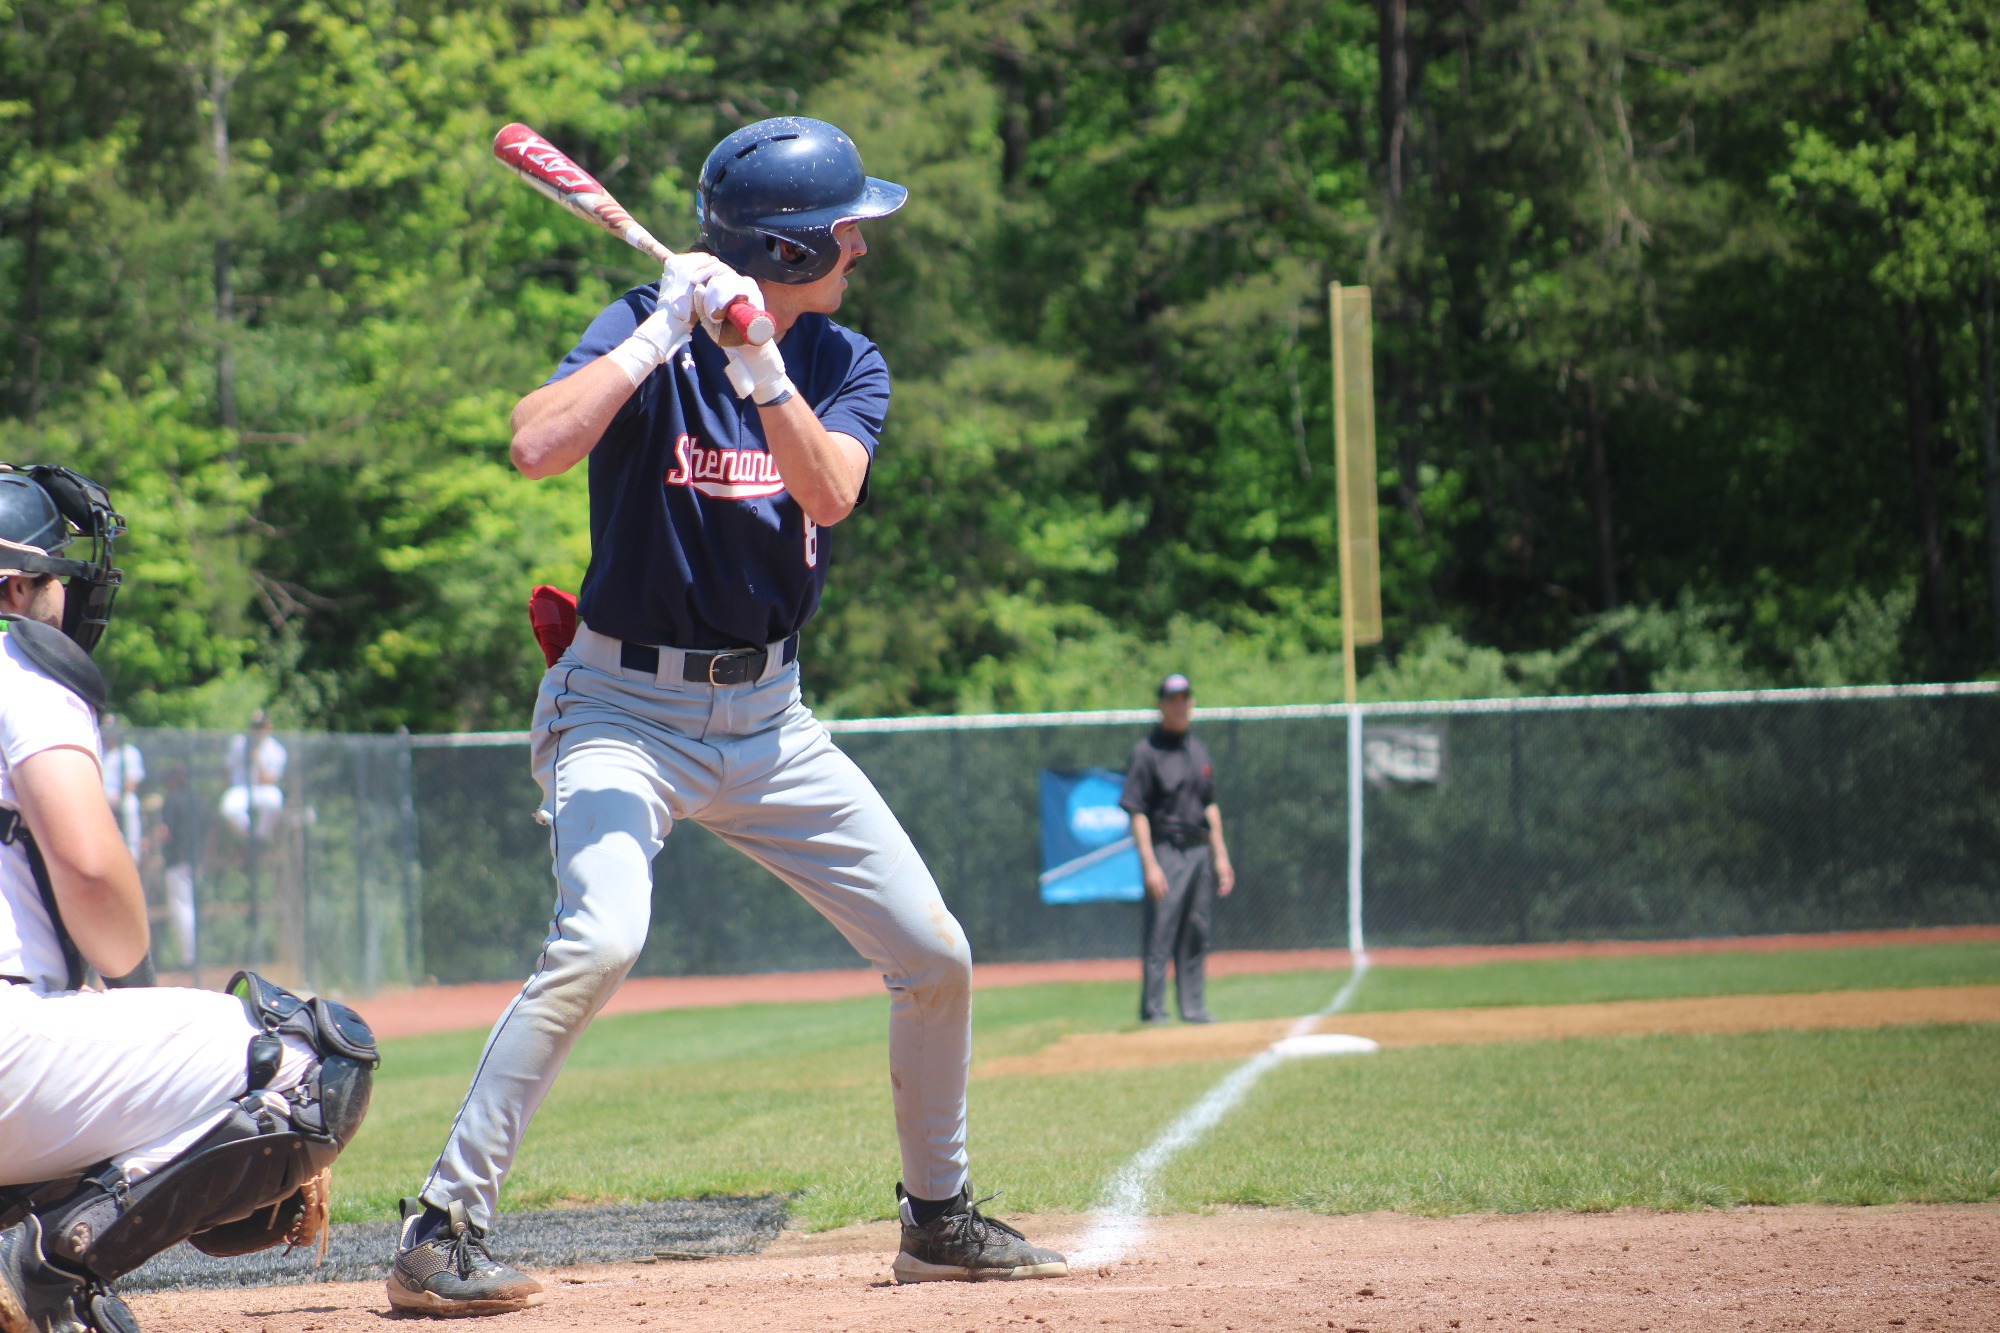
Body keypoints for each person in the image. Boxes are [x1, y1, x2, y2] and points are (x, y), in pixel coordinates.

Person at [384, 117, 1066, 1318]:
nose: (862, 248)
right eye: (847, 233)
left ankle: (938, 1217)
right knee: (599, 939)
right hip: (619, 709)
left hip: (768, 721)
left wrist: (758, 363)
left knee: (935, 955)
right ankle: (441, 1228)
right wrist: (659, 332)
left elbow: (829, 491)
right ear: (791, 249)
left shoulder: (846, 360)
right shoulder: (642, 334)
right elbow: (534, 445)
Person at [0, 463, 377, 1333]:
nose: (69, 593)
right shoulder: (20, 655)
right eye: (57, 574)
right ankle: (44, 1264)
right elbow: (91, 869)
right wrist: (135, 990)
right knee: (312, 1064)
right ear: (17, 584)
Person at [1120, 673, 1237, 1024]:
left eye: (1185, 698)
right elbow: (1137, 811)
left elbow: (1209, 805)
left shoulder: (1198, 749)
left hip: (1199, 849)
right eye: (1172, 699)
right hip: (1167, 850)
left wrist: (1221, 855)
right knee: (1162, 928)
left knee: (1196, 928)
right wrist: (1150, 863)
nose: (1180, 704)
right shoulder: (1146, 753)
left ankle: (1194, 1006)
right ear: (1160, 705)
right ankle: (1154, 1009)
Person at [219, 710, 285, 839]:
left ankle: (261, 836)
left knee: (275, 801)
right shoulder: (239, 743)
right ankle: (249, 837)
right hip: (241, 788)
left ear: (268, 727)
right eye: (255, 726)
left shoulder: (276, 749)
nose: (257, 730)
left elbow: (270, 780)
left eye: (261, 726)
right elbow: (226, 768)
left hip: (263, 790)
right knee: (228, 807)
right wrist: (223, 788)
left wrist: (258, 761)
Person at [97, 716, 143, 862]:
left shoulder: (129, 752)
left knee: (130, 803)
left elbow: (132, 782)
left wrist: (115, 797)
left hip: (120, 798)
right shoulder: (101, 752)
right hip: (100, 800)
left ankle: (132, 854)